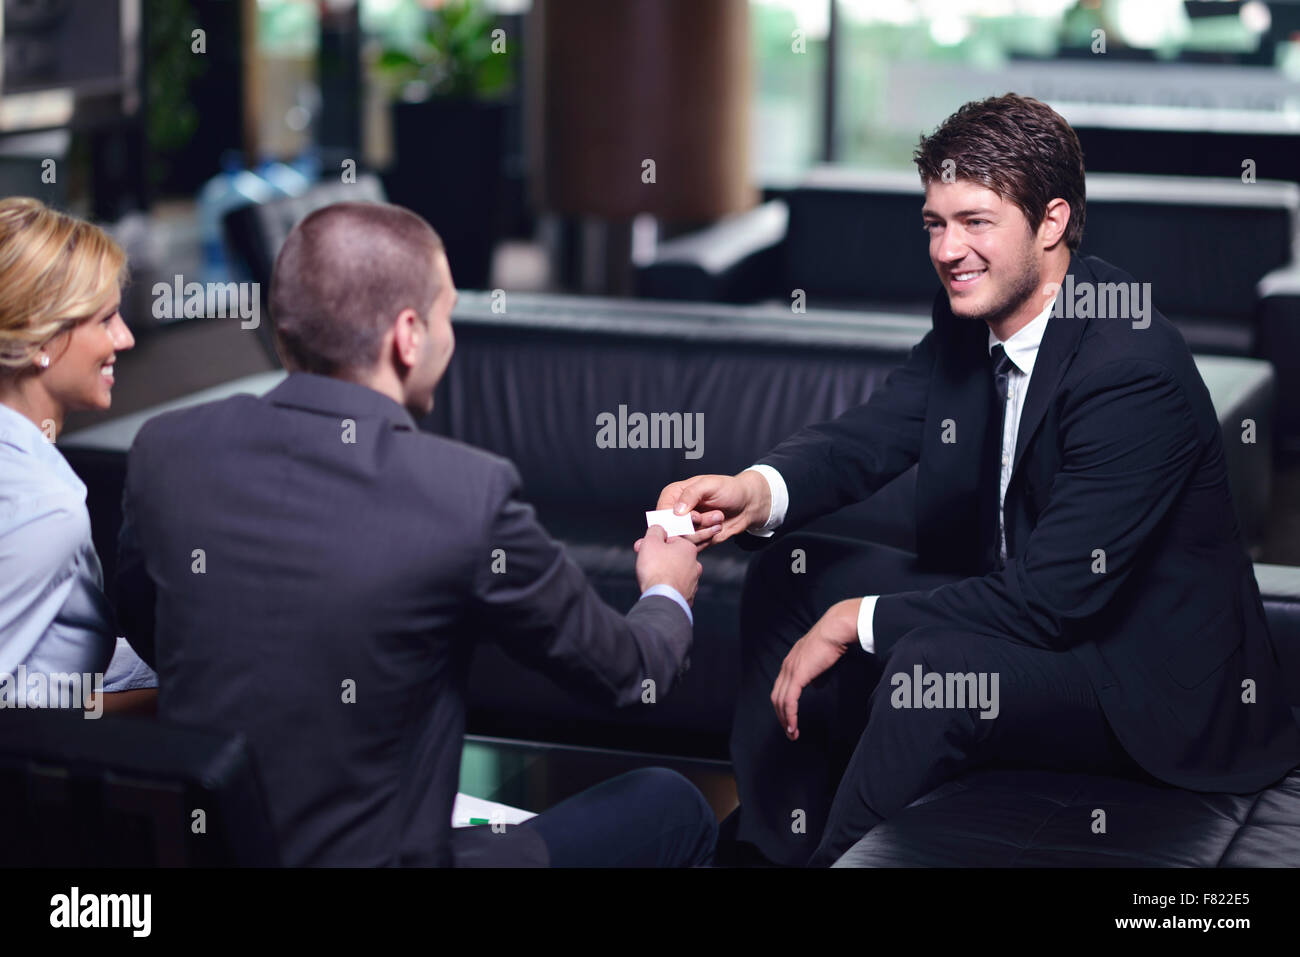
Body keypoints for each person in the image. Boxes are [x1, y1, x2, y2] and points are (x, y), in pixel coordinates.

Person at [659, 93, 1300, 867]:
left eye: (976, 222)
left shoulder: (1130, 368)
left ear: (1052, 222)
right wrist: (760, 488)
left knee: (935, 672)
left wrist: (854, 619)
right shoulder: (972, 309)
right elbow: (884, 426)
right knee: (787, 577)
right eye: (935, 222)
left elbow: (1055, 598)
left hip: (1137, 680)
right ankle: (766, 850)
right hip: (1026, 596)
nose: (948, 248)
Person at [116, 201, 717, 867]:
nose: (449, 336)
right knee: (671, 804)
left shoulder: (166, 450)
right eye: (446, 314)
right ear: (408, 334)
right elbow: (627, 677)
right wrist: (667, 591)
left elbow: (150, 626)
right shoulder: (466, 493)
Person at [0, 197, 157, 715]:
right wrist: (161, 700)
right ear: (40, 338)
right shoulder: (47, 511)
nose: (125, 338)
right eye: (106, 319)